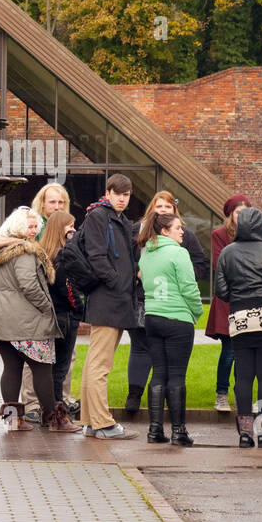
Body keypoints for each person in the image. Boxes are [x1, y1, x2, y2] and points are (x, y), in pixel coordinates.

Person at [0, 207, 78, 433]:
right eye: (30, 226)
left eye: (36, 226)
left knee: (12, 368)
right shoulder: (24, 252)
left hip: (2, 318)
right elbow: (29, 285)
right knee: (43, 369)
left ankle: (13, 420)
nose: (35, 230)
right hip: (27, 321)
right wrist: (47, 307)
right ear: (18, 227)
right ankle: (56, 420)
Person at [126, 191, 211, 414]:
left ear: (174, 211)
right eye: (159, 206)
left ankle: (159, 419)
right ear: (151, 209)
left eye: (167, 207)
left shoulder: (184, 238)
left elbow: (198, 266)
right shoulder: (137, 232)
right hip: (144, 300)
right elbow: (125, 261)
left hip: (169, 303)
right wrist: (138, 273)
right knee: (144, 352)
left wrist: (177, 273)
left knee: (164, 365)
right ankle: (136, 396)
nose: (162, 210)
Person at [213, 207, 262, 448]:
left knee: (243, 378)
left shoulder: (227, 253)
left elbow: (221, 291)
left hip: (241, 318)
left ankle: (245, 435)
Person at [78, 174, 141, 440]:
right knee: (100, 365)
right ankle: (103, 424)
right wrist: (116, 282)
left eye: (126, 195)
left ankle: (91, 422)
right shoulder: (99, 216)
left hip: (115, 300)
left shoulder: (120, 220)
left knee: (95, 363)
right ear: (108, 192)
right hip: (108, 299)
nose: (122, 199)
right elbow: (96, 255)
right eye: (118, 194)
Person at [137, 212, 204, 445]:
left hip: (153, 318)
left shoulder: (145, 255)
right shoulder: (179, 253)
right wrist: (196, 312)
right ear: (165, 231)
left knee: (158, 373)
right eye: (178, 228)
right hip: (177, 319)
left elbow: (145, 285)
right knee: (176, 375)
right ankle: (178, 431)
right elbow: (189, 288)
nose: (182, 231)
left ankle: (154, 430)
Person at [20, 183, 73, 421]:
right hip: (39, 304)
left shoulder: (66, 227)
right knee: (35, 354)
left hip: (61, 305)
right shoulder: (33, 227)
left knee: (65, 356)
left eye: (61, 202)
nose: (57, 206)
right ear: (42, 203)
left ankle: (62, 399)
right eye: (53, 202)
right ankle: (31, 403)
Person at [207, 195, 252, 413]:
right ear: (230, 214)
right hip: (228, 300)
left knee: (247, 354)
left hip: (250, 300)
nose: (241, 216)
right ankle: (222, 394)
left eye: (245, 212)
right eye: (237, 212)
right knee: (230, 351)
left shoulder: (255, 235)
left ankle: (243, 397)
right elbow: (221, 264)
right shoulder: (220, 235)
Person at [41, 210, 84, 420]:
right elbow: (67, 288)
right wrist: (79, 308)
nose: (73, 230)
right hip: (65, 318)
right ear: (61, 229)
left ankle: (48, 411)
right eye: (70, 226)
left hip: (49, 317)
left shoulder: (45, 254)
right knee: (60, 369)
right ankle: (58, 415)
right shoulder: (63, 256)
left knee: (49, 369)